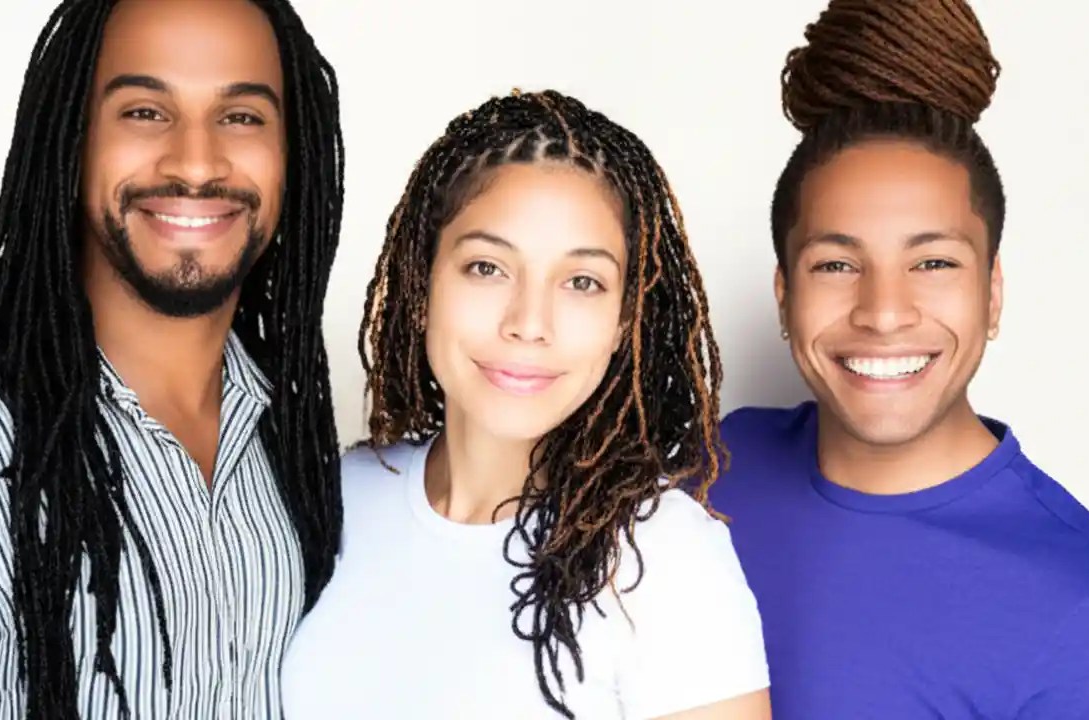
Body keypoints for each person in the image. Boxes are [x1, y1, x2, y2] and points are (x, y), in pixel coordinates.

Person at [0, 0, 344, 717]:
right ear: (73, 138)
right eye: (145, 111)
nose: (196, 162)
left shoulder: (295, 442)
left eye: (242, 116)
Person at [707, 1, 1089, 718]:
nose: (884, 312)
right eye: (836, 265)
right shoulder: (706, 474)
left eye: (934, 262)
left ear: (992, 292)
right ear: (783, 297)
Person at [280, 89, 771, 719]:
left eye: (582, 282)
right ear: (423, 282)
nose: (529, 322)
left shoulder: (664, 554)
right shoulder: (341, 496)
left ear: (624, 323)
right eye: (487, 268)